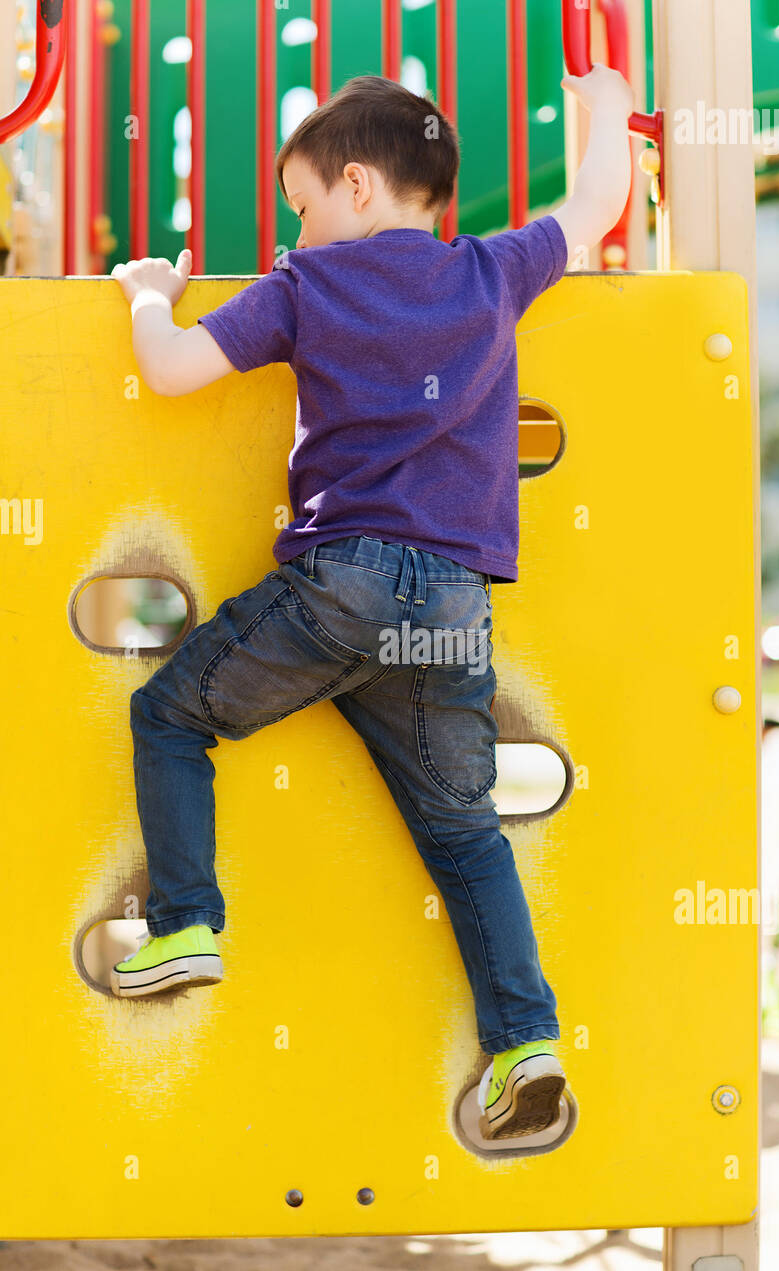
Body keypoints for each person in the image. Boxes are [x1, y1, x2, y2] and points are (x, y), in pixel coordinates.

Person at [109, 66, 634, 1141]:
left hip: (342, 585)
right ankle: (524, 1047)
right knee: (464, 833)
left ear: (352, 184)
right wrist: (608, 101)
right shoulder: (491, 271)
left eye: (299, 202)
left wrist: (148, 291)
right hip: (449, 608)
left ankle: (184, 922)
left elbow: (167, 372)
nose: (294, 226)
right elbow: (595, 205)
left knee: (169, 713)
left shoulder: (310, 286)